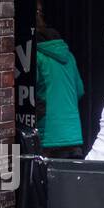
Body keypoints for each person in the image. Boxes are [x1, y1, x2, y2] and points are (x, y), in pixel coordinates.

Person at [35, 25, 84, 159]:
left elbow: (32, 90)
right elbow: (79, 90)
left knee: (44, 176)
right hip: (73, 134)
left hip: (49, 132)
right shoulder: (69, 56)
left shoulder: (37, 56)